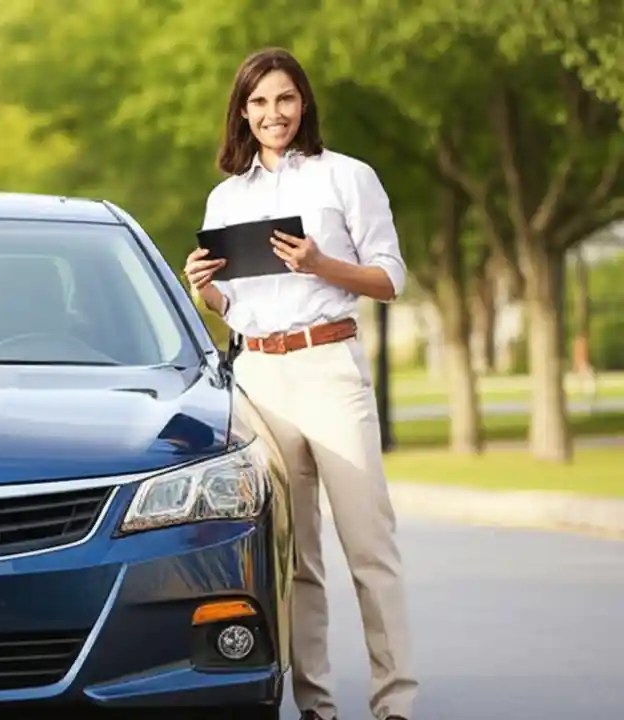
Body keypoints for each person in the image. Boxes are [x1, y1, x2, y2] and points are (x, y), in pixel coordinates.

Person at [184, 48, 418, 720]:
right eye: (258, 103)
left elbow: (390, 279)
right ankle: (317, 705)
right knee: (296, 557)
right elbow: (235, 306)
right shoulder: (227, 196)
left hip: (328, 368)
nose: (273, 114)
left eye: (284, 99)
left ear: (304, 102)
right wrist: (206, 293)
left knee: (369, 547)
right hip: (260, 376)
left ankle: (395, 702)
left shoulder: (348, 178)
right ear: (243, 112)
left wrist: (321, 263)